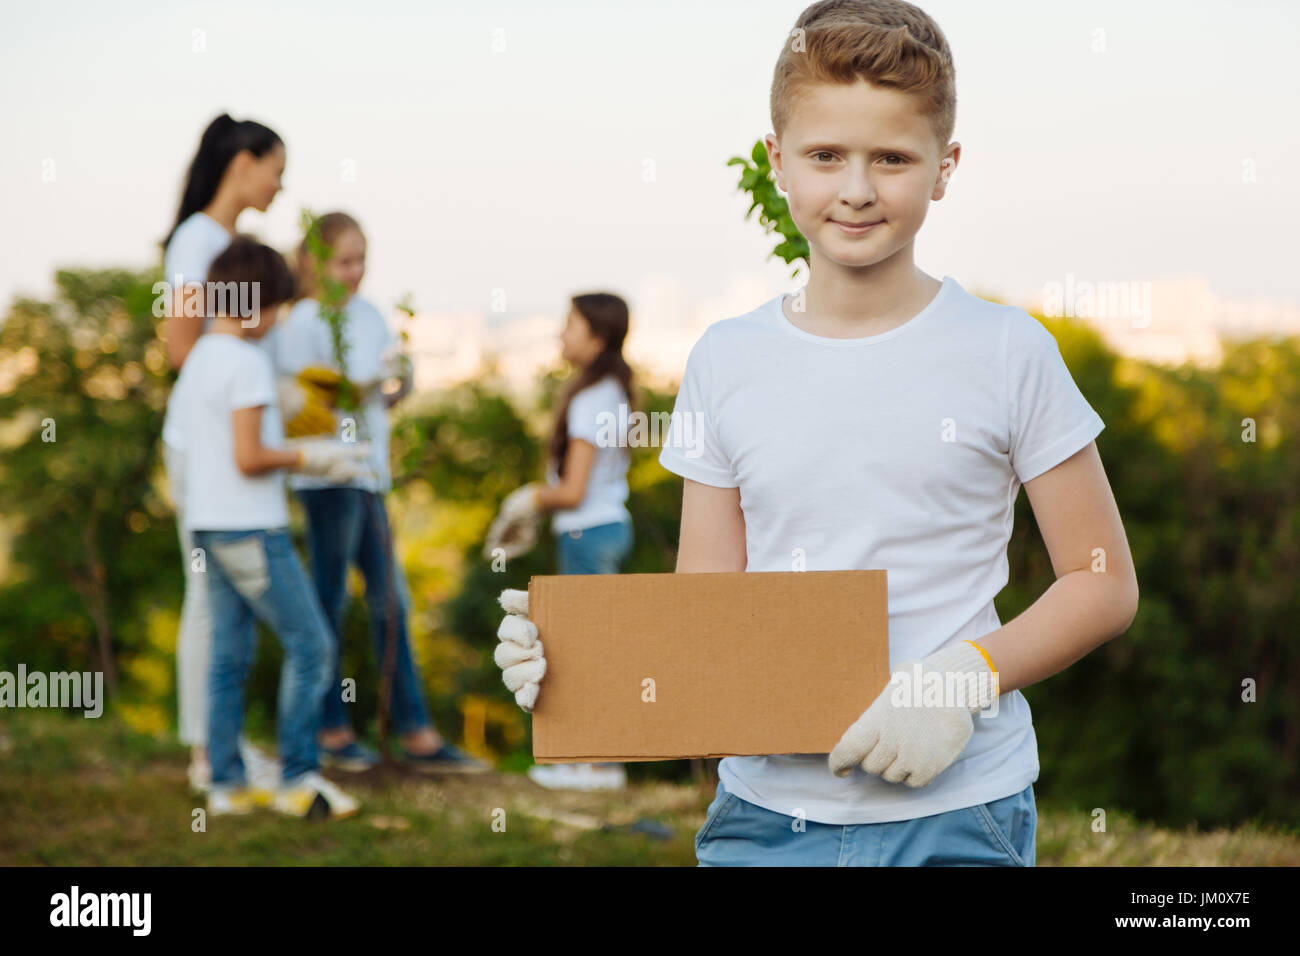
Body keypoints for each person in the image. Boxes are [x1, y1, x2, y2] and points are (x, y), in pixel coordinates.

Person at [495, 0, 1139, 865]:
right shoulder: (725, 360)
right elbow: (708, 610)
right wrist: (577, 665)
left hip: (960, 813)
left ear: (945, 168)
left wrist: (963, 676)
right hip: (764, 819)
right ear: (778, 162)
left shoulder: (1008, 351)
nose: (858, 188)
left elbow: (1102, 585)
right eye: (826, 155)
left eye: (894, 158)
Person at [271, 212, 487, 773]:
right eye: (344, 260)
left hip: (369, 475)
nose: (355, 271)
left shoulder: (368, 315)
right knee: (330, 601)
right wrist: (349, 394)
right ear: (316, 261)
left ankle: (414, 732)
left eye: (361, 258)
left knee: (392, 603)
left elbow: (375, 402)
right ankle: (329, 728)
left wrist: (396, 389)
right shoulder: (303, 323)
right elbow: (302, 410)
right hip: (328, 479)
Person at [166, 236, 369, 818]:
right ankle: (299, 778)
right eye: (278, 307)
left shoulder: (200, 358)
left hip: (207, 527)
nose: (279, 320)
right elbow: (250, 457)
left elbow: (188, 445)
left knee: (228, 656)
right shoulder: (247, 364)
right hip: (251, 529)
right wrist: (312, 456)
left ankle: (226, 785)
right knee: (311, 645)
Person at [159, 113, 287, 794]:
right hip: (208, 449)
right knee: (208, 600)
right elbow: (182, 349)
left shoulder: (224, 241)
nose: (280, 186)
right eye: (277, 170)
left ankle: (222, 747)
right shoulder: (198, 242)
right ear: (245, 162)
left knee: (223, 600)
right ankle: (210, 755)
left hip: (222, 446)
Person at [494, 293, 637, 792]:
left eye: (570, 325)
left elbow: (573, 491)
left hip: (586, 530)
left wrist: (529, 498)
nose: (561, 333)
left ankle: (592, 765)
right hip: (602, 528)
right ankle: (592, 762)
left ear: (597, 337)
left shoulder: (592, 398)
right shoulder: (612, 392)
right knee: (592, 644)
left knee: (582, 649)